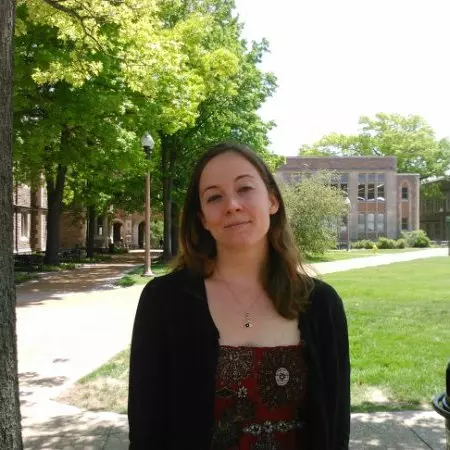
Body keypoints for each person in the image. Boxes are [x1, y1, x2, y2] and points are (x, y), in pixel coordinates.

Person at [128, 142, 350, 450]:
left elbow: (335, 426)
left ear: (272, 200)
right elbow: (145, 428)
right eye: (214, 197)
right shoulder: (164, 302)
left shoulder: (322, 304)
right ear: (203, 218)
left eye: (244, 188)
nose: (231, 204)